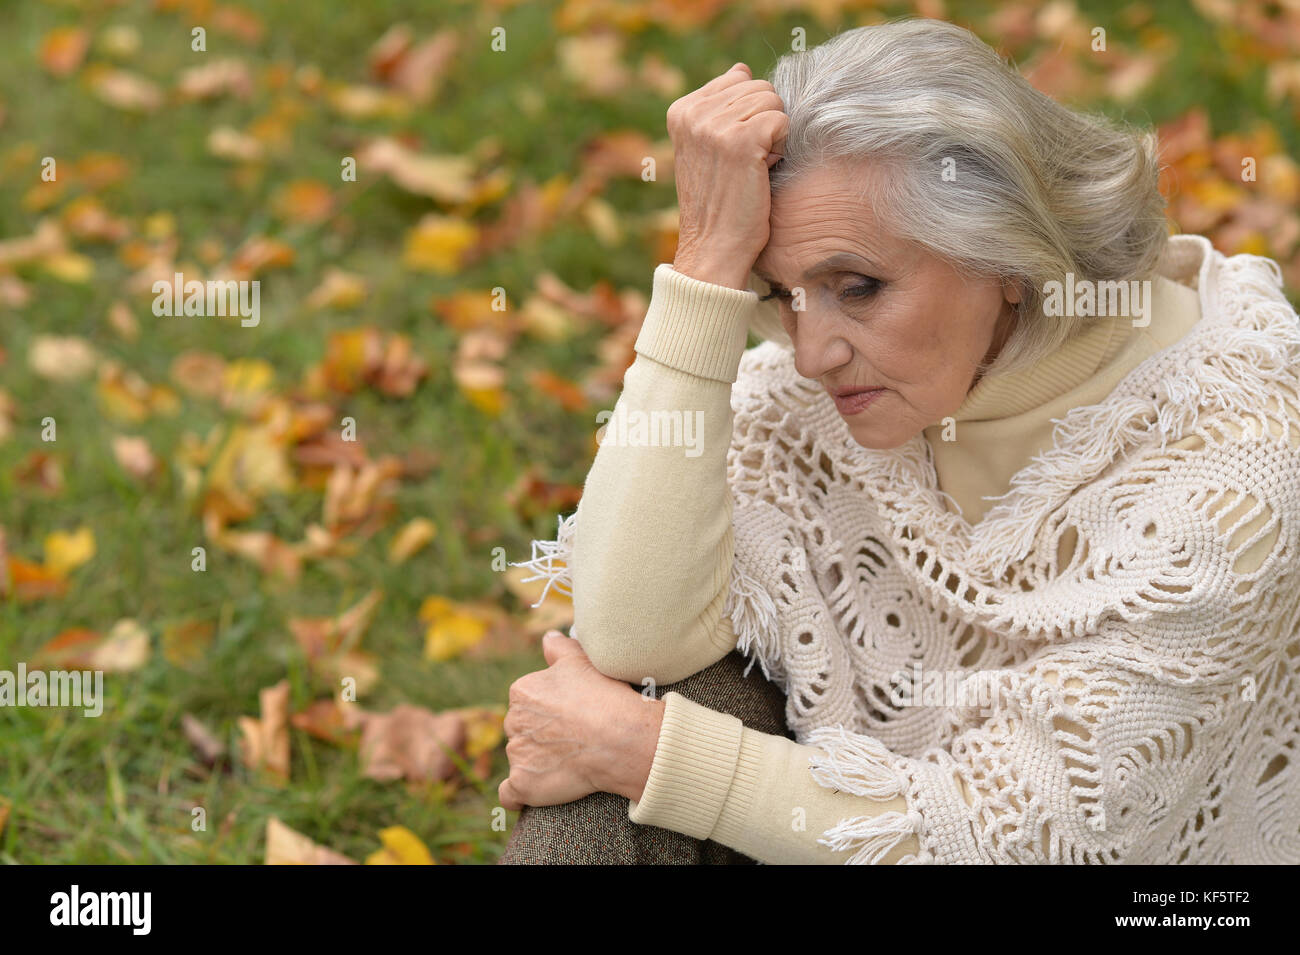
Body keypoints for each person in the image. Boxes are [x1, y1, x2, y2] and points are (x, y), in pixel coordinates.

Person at [498, 18, 1300, 864]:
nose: (811, 354)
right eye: (780, 292)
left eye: (857, 287)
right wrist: (704, 268)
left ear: (1009, 258)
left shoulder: (1239, 456)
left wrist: (652, 754)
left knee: (624, 748)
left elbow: (1019, 844)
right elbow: (629, 635)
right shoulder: (825, 397)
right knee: (614, 756)